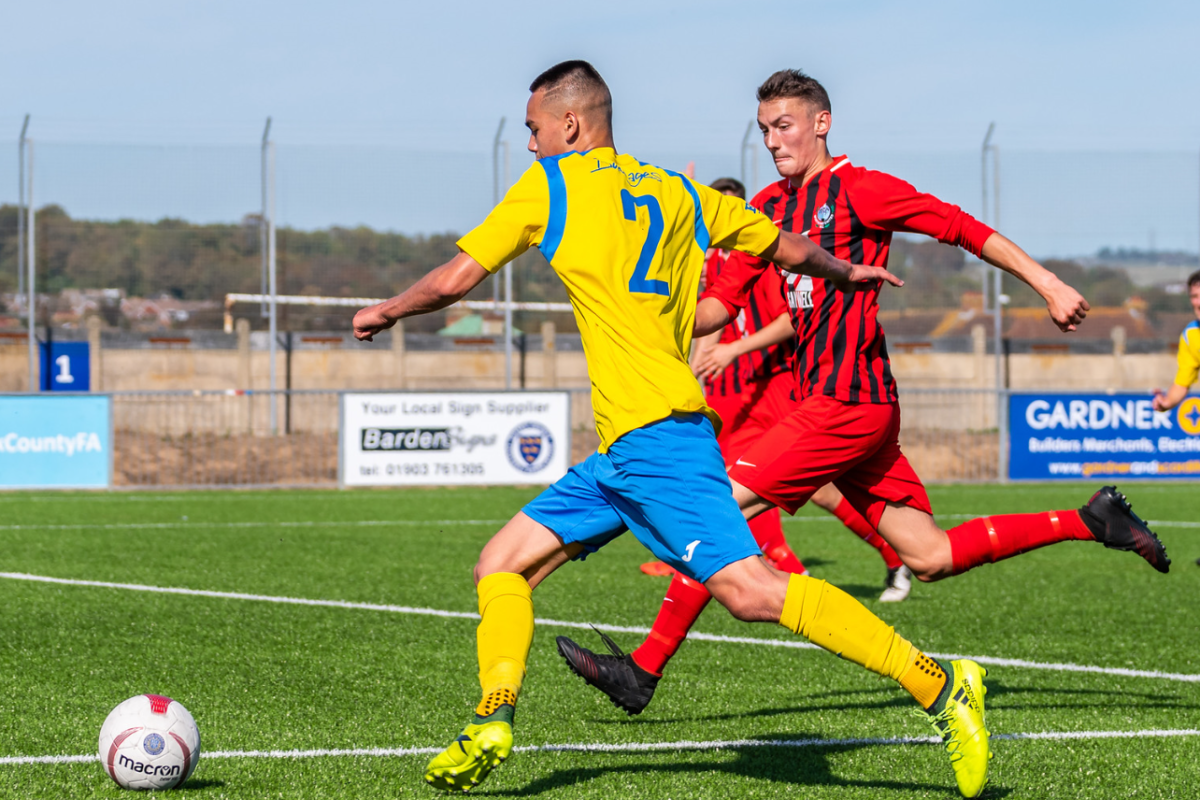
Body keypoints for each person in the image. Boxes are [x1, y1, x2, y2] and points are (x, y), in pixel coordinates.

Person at [354, 61, 996, 798]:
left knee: (754, 592)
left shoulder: (550, 186)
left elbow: (454, 280)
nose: (529, 144)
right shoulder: (681, 191)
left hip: (659, 438)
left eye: (534, 129)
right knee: (499, 564)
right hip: (622, 453)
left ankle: (941, 686)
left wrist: (387, 309)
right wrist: (844, 273)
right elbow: (786, 249)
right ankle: (492, 719)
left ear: (569, 124)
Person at [557, 68, 1170, 728]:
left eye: (784, 125)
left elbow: (959, 227)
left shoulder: (862, 190)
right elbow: (713, 309)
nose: (772, 140)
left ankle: (642, 672)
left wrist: (1045, 283)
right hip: (839, 408)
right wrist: (639, 311)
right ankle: (1093, 520)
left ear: (822, 123)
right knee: (929, 557)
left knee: (710, 509)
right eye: (764, 129)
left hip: (846, 405)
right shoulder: (764, 207)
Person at [1153, 269, 1200, 566]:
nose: (1199, 302)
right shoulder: (1191, 335)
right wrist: (1166, 402)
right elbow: (1183, 381)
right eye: (1194, 296)